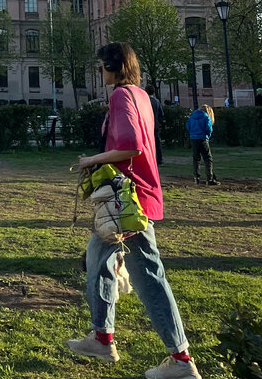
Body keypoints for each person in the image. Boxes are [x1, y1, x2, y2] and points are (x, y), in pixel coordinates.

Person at [66, 42, 201, 379]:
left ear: (114, 66)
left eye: (102, 65)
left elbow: (130, 146)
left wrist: (91, 160)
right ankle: (103, 337)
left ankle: (179, 360)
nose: (100, 72)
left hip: (126, 203)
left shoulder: (121, 96)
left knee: (144, 276)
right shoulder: (140, 96)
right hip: (136, 198)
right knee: (103, 263)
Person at [186, 104, 219, 186]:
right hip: (203, 138)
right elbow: (209, 128)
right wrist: (208, 136)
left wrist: (192, 133)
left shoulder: (192, 117)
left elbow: (188, 126)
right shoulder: (206, 117)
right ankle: (209, 178)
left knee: (196, 158)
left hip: (193, 139)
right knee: (208, 159)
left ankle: (196, 178)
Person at [145, 84, 165, 165]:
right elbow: (161, 114)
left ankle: (149, 159)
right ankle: (159, 159)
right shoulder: (156, 101)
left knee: (146, 142)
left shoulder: (144, 101)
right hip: (155, 124)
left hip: (146, 124)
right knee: (157, 142)